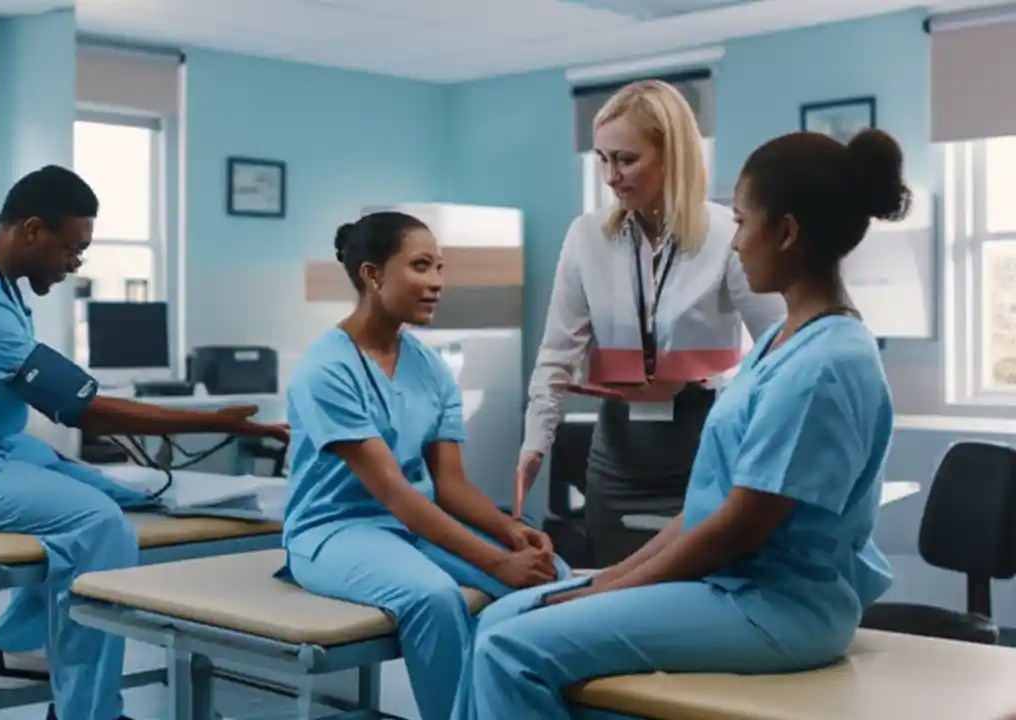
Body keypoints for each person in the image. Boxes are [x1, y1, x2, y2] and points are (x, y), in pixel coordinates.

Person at [452, 128, 908, 720]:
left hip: (778, 608)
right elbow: (706, 510)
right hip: (734, 588)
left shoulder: (825, 364)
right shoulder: (779, 338)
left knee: (511, 648)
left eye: (743, 222)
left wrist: (608, 591)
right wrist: (606, 578)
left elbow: (737, 530)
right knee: (497, 618)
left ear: (788, 232)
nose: (736, 242)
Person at [0, 165, 287, 720]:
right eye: (72, 249)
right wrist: (216, 421)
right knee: (98, 524)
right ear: (31, 231)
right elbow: (83, 407)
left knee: (118, 491)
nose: (75, 264)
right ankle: (86, 711)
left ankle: (19, 647)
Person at [281, 211, 574, 720]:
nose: (437, 282)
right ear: (372, 275)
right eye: (421, 266)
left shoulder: (431, 368)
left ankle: (502, 702)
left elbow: (451, 485)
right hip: (335, 530)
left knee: (555, 579)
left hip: (415, 523)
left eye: (440, 267)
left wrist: (510, 531)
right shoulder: (326, 369)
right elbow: (394, 492)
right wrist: (494, 561)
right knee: (433, 598)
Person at [514, 80, 785, 566]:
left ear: (671, 155)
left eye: (626, 159)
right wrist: (536, 441)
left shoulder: (726, 234)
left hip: (704, 450)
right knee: (613, 593)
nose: (611, 176)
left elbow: (782, 351)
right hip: (617, 458)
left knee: (691, 597)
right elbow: (557, 352)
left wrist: (704, 380)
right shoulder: (587, 237)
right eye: (602, 159)